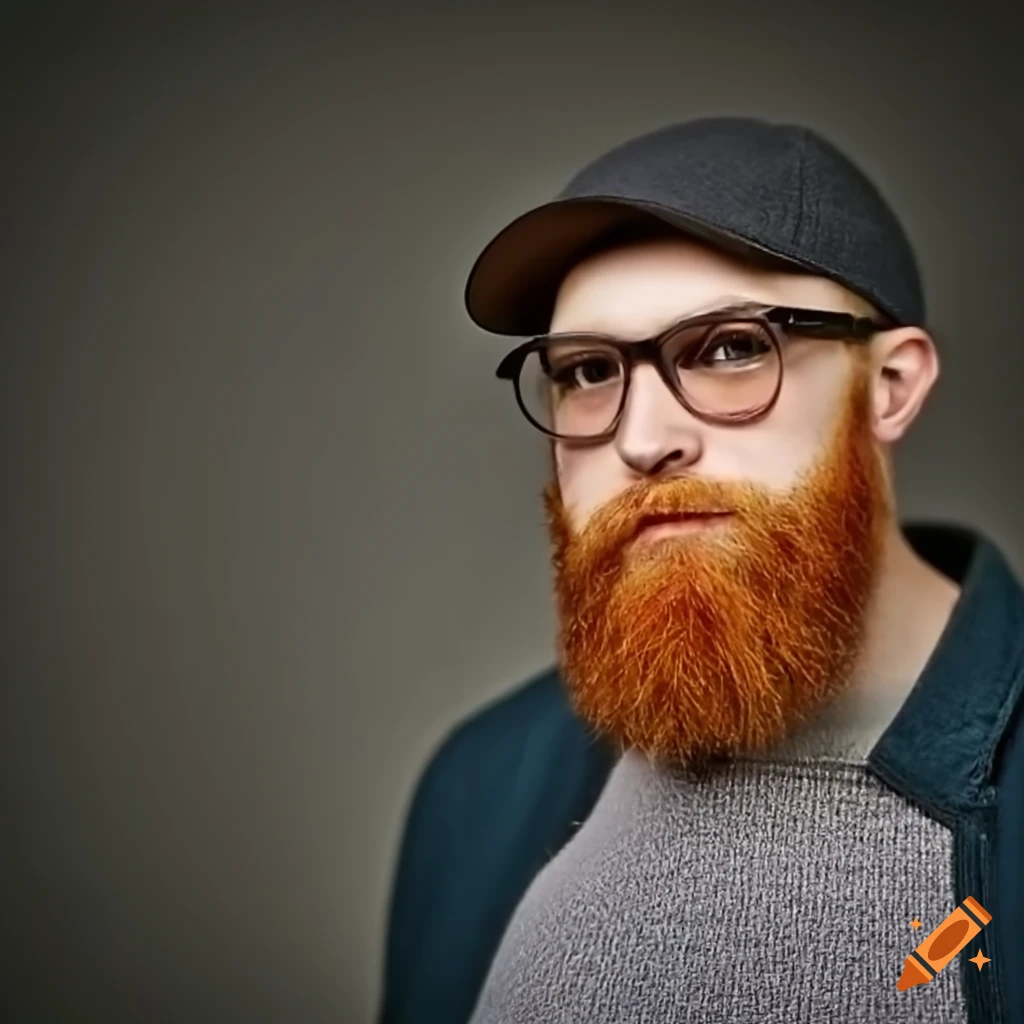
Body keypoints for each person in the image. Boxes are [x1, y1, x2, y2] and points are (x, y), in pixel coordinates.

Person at [376, 118, 1024, 1024]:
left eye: (728, 349)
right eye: (589, 371)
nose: (643, 440)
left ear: (891, 385)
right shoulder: (477, 789)